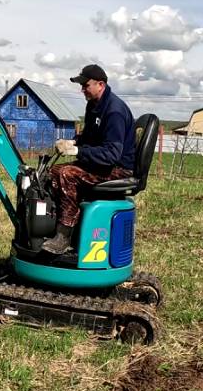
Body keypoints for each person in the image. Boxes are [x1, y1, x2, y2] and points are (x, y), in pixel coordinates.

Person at [41, 64, 136, 254]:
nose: (82, 89)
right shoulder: (94, 106)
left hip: (118, 168)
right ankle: (58, 226)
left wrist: (77, 151)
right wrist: (72, 142)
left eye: (86, 85)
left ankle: (64, 236)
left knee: (67, 174)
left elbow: (111, 154)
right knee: (53, 172)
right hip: (102, 164)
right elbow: (89, 138)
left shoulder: (114, 111)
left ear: (100, 84)